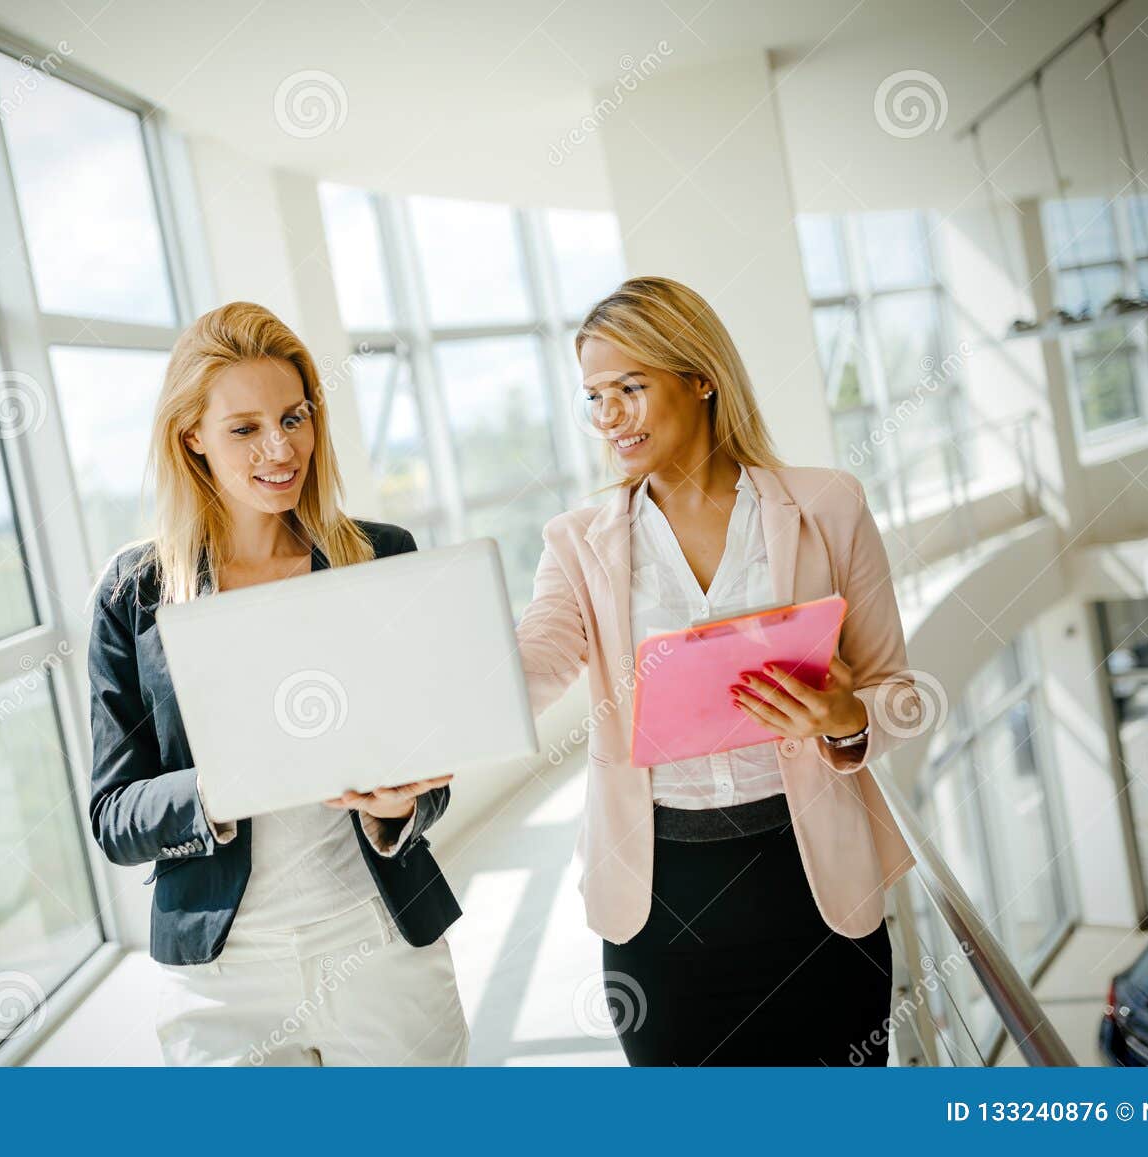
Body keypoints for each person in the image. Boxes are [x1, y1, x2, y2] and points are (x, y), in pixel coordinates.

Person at [515, 276, 920, 1066]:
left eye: (631, 387)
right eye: (595, 395)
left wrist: (846, 716)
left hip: (814, 892)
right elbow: (540, 659)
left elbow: (901, 692)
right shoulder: (577, 542)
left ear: (700, 377)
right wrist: (449, 688)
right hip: (661, 914)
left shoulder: (827, 505)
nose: (610, 416)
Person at [86, 301, 469, 1066]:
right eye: (245, 428)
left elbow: (431, 768)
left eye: (295, 417)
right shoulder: (134, 592)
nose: (280, 447)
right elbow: (112, 814)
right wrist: (219, 786)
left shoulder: (381, 556)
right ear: (191, 436)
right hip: (223, 975)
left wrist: (402, 806)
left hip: (378, 938)